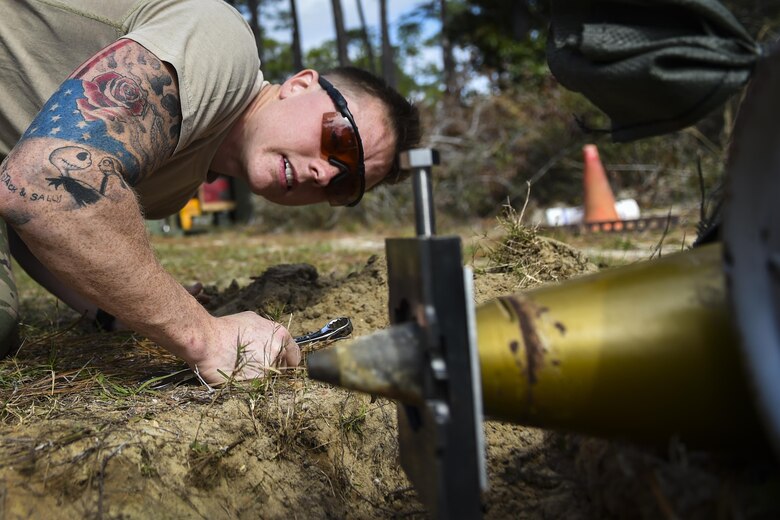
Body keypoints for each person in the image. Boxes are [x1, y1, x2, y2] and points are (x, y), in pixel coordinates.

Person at [0, 0, 421, 383]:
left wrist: (117, 310)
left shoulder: (173, 190)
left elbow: (29, 224)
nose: (324, 173)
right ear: (301, 84)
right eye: (341, 140)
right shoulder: (224, 42)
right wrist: (204, 335)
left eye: (345, 183)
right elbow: (40, 183)